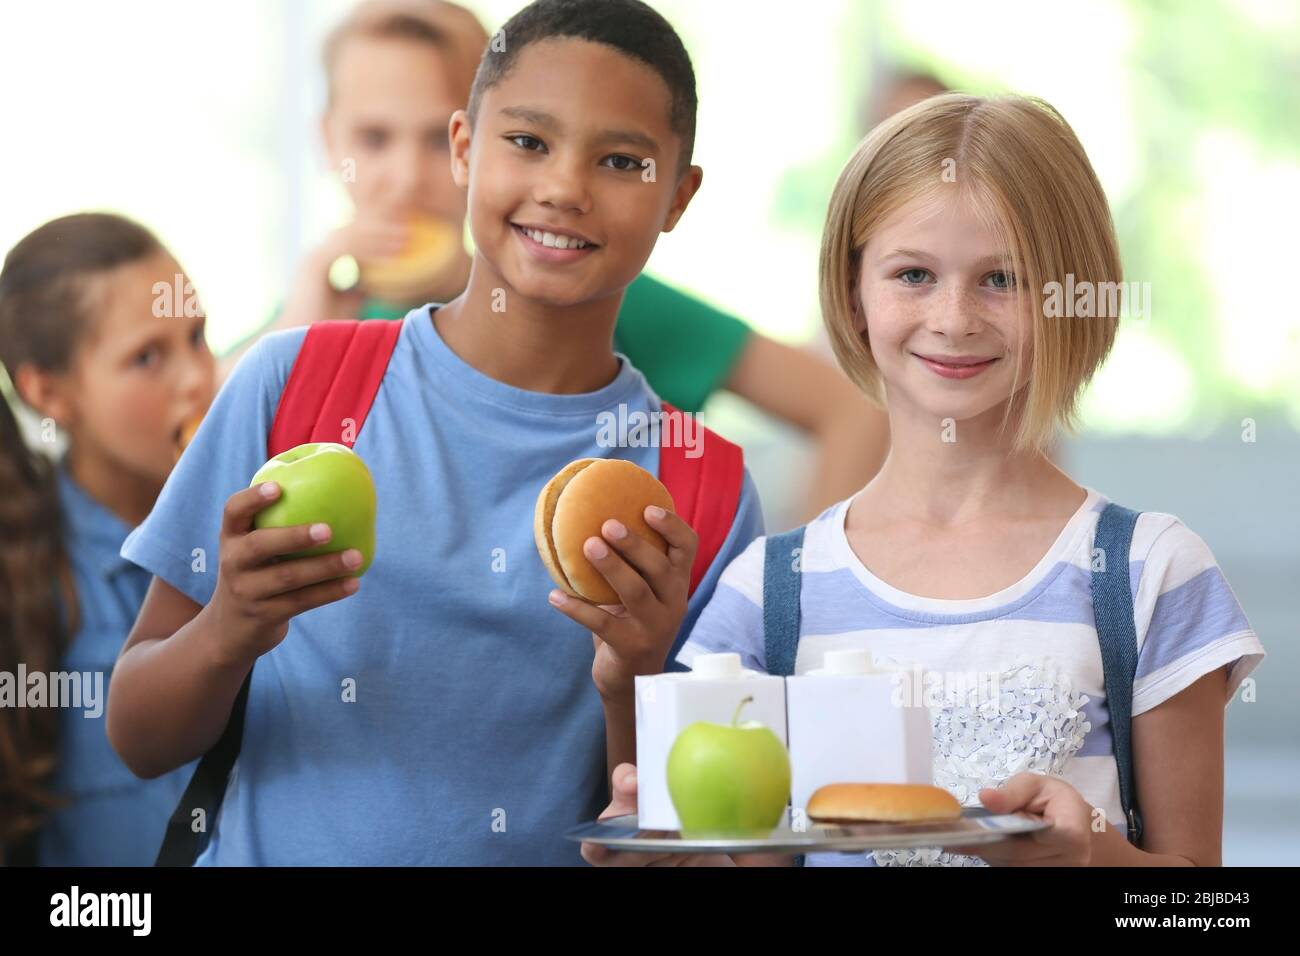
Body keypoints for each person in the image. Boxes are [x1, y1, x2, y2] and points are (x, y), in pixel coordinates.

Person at [108, 0, 764, 865]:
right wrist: (229, 627)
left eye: (620, 160)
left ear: (679, 195)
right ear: (464, 147)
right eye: (527, 142)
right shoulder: (291, 384)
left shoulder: (701, 488)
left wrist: (630, 681)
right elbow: (138, 735)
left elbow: (702, 843)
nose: (564, 186)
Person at [584, 94, 1264, 867]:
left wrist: (1092, 856)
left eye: (1001, 279)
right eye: (913, 274)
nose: (953, 317)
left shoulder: (1152, 574)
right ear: (853, 295)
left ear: (1072, 298)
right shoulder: (768, 591)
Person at [220, 0, 888, 525]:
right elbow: (186, 479)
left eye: (431, 138)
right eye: (373, 139)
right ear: (326, 140)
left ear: (471, 140)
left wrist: (794, 597)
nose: (404, 177)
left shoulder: (600, 288)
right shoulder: (295, 337)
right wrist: (301, 319)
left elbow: (853, 406)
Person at [0, 213, 213, 865]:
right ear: (48, 392)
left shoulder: (250, 535)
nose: (196, 380)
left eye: (197, 337)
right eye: (147, 357)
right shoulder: (26, 588)